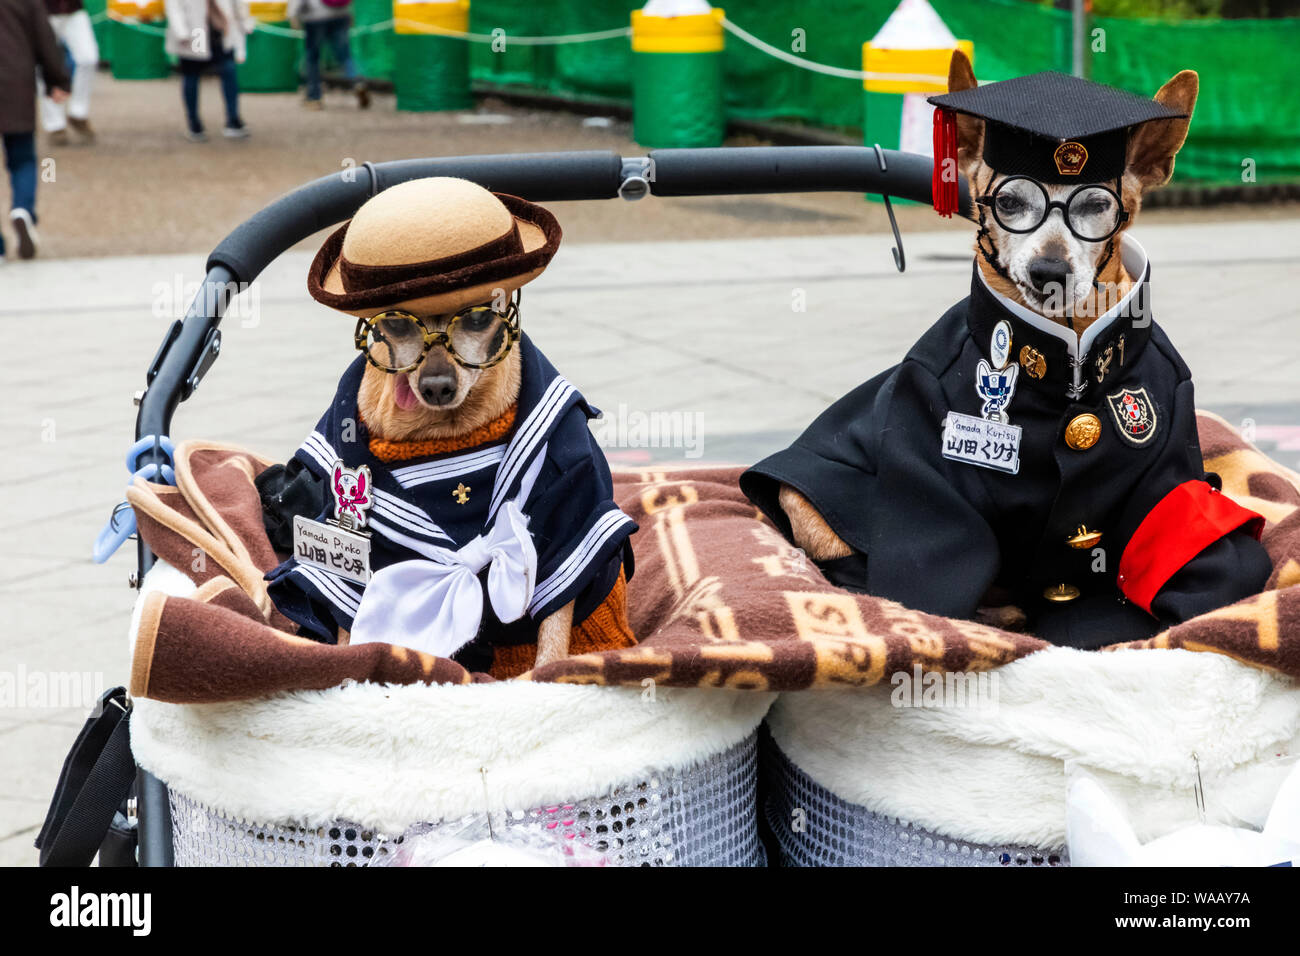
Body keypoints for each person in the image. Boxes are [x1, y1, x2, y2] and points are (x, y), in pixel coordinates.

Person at [0, 0, 71, 261]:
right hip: (15, 85)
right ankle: (22, 210)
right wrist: (58, 79)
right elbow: (45, 39)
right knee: (22, 159)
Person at [164, 0, 255, 141]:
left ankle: (233, 119)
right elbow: (173, 6)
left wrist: (245, 22)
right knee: (192, 73)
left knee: (229, 71)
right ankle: (194, 124)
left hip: (221, 28)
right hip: (197, 30)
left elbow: (237, 3)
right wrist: (181, 31)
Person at [287, 0, 368, 110]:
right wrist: (350, 14)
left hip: (315, 17)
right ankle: (358, 83)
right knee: (345, 56)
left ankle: (314, 97)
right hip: (341, 14)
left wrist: (292, 16)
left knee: (313, 58)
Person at [38, 0, 99, 145]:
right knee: (45, 64)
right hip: (44, 11)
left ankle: (78, 113)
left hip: (74, 10)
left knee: (88, 58)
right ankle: (55, 125)